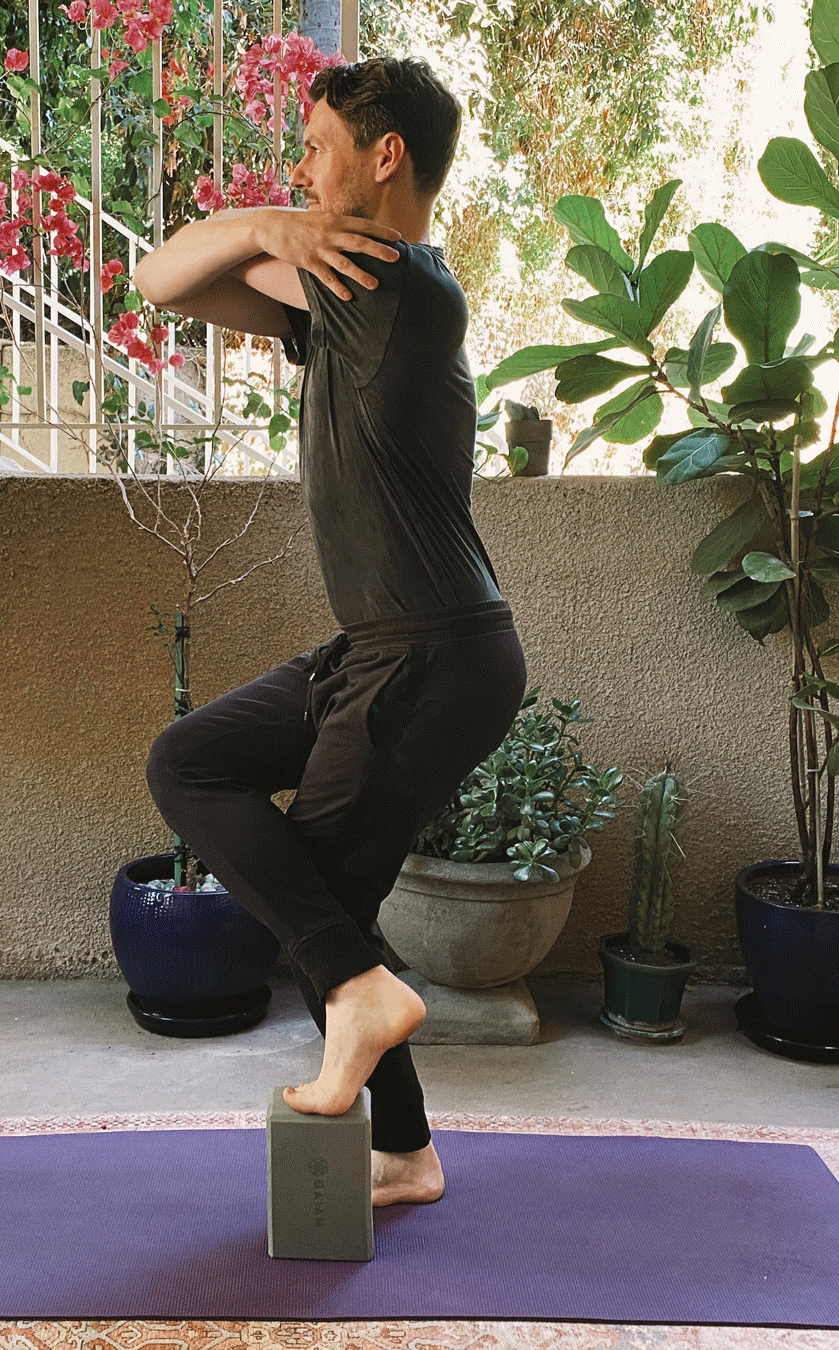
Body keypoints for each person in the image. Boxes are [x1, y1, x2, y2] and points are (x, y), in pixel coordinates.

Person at [133, 57, 527, 1210]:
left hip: (432, 654)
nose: (301, 172)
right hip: (388, 647)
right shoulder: (360, 286)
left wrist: (278, 227)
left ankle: (390, 1103)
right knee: (192, 764)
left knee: (324, 915)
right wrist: (278, 223)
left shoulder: (388, 280)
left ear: (384, 153)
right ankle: (401, 1136)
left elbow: (164, 276)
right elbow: (173, 284)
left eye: (316, 148)